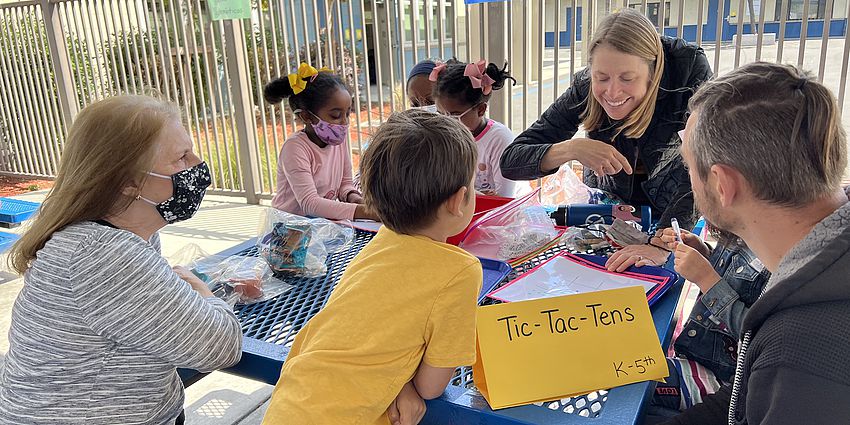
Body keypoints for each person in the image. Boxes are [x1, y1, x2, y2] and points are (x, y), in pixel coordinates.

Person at [0, 95, 243, 425]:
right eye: (181, 158)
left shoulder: (117, 234)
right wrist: (203, 292)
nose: (198, 166)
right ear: (128, 182)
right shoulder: (104, 255)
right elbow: (221, 346)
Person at [261, 109, 482, 425]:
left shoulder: (380, 242)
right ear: (458, 200)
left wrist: (395, 377)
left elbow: (362, 331)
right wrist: (406, 381)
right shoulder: (461, 272)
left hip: (291, 403)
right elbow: (431, 387)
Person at [662, 62, 850, 424]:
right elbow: (742, 396)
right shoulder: (816, 273)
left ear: (722, 184)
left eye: (688, 168)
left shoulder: (799, 356)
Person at [499, 9, 712, 268]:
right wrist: (571, 148)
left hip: (673, 213)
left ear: (653, 72)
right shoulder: (586, 86)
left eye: (627, 78)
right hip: (611, 211)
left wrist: (660, 244)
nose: (612, 92)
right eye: (602, 78)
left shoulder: (689, 73)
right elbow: (511, 161)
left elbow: (705, 168)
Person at [648, 226, 769, 418]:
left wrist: (706, 279)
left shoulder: (779, 254)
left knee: (637, 385)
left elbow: (764, 340)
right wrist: (703, 252)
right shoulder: (743, 228)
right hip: (697, 353)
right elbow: (737, 277)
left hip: (726, 382)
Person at [264, 63, 378, 221]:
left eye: (347, 113)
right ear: (307, 117)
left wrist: (355, 198)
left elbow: (345, 183)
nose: (344, 122)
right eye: (336, 115)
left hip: (322, 224)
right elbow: (310, 203)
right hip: (290, 229)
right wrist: (365, 212)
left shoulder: (339, 141)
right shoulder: (295, 149)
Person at [432, 59, 517, 197]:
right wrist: (479, 196)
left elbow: (503, 200)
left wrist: (467, 195)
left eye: (454, 116)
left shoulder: (499, 140)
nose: (447, 123)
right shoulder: (446, 136)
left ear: (481, 110)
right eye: (441, 115)